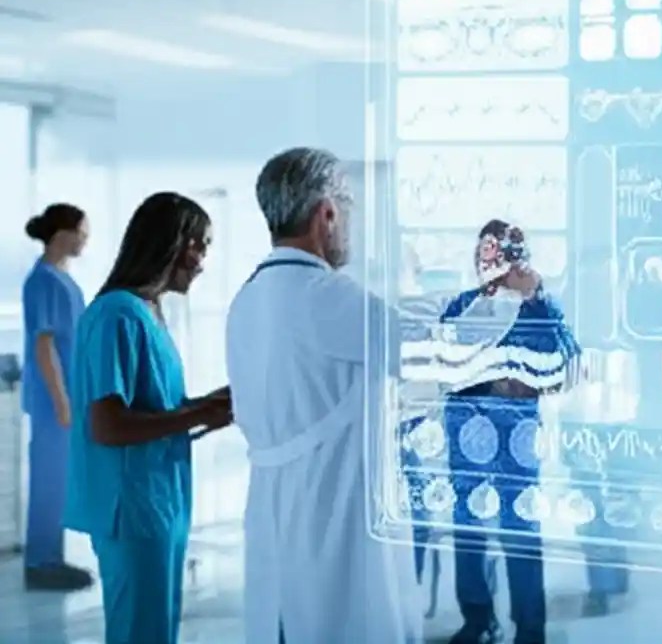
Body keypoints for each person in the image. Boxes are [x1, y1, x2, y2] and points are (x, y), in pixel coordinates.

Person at [225, 148, 419, 643]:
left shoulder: (247, 299)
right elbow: (427, 345)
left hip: (274, 512)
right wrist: (500, 300)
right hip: (332, 513)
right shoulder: (323, 295)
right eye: (348, 208)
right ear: (327, 213)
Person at [63, 192, 234, 644]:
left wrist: (211, 404)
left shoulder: (148, 312)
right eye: (200, 246)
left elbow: (156, 407)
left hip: (160, 501)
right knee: (139, 632)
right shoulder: (116, 314)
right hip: (133, 507)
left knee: (157, 629)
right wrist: (197, 413)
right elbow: (108, 425)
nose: (202, 262)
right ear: (172, 243)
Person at [409, 219, 580, 644]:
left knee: (519, 526)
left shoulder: (540, 308)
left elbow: (566, 360)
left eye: (507, 253)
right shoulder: (463, 305)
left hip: (516, 430)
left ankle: (530, 627)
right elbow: (444, 359)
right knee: (468, 525)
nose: (497, 263)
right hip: (468, 424)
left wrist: (536, 298)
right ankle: (478, 618)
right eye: (489, 252)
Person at [20, 203, 93, 591]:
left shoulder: (62, 279)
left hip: (68, 397)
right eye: (83, 233)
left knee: (61, 480)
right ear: (63, 234)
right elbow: (44, 345)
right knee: (49, 480)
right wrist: (61, 402)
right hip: (53, 402)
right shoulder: (43, 281)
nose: (85, 240)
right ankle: (41, 562)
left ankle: (52, 557)